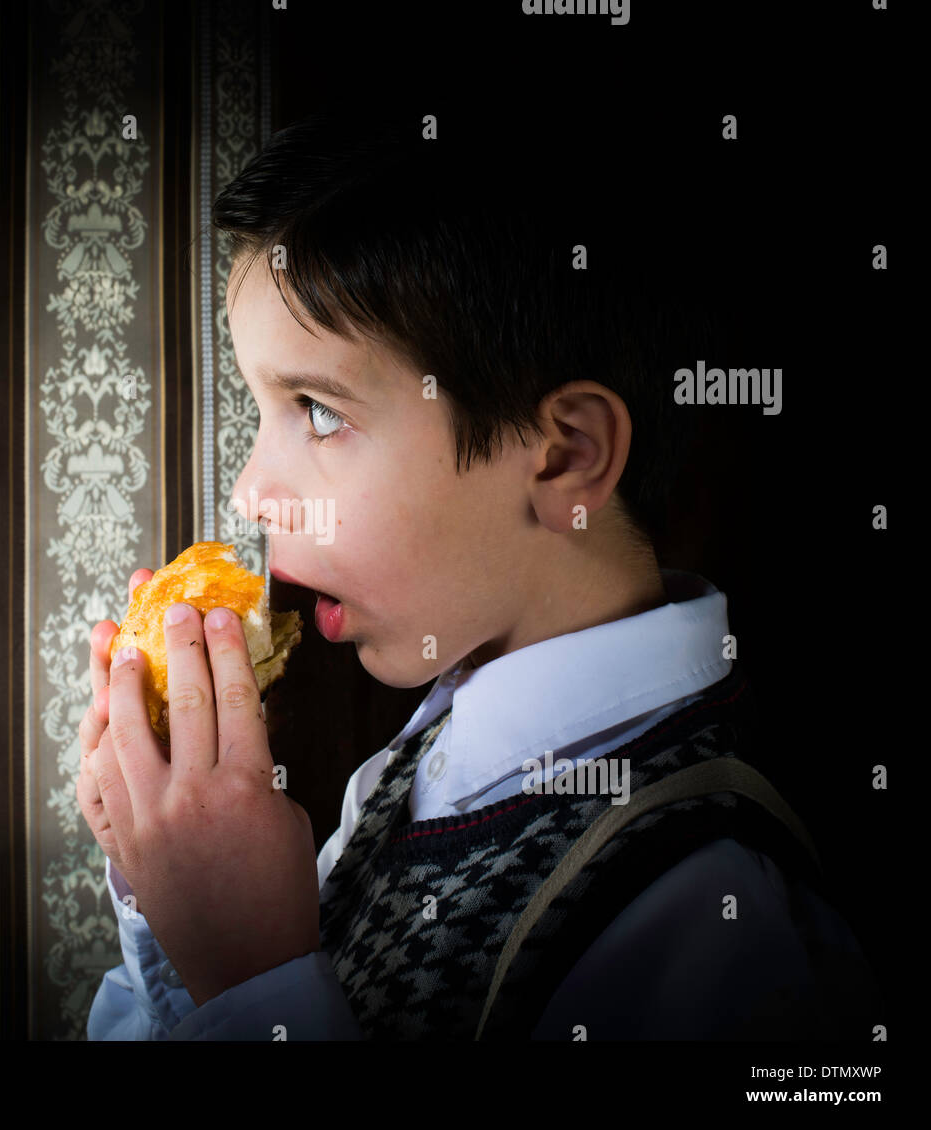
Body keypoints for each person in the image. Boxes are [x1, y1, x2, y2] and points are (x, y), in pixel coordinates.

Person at [76, 110, 883, 1040]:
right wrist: (176, 902)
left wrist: (253, 982)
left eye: (319, 411)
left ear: (563, 458)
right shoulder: (414, 770)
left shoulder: (721, 918)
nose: (253, 491)